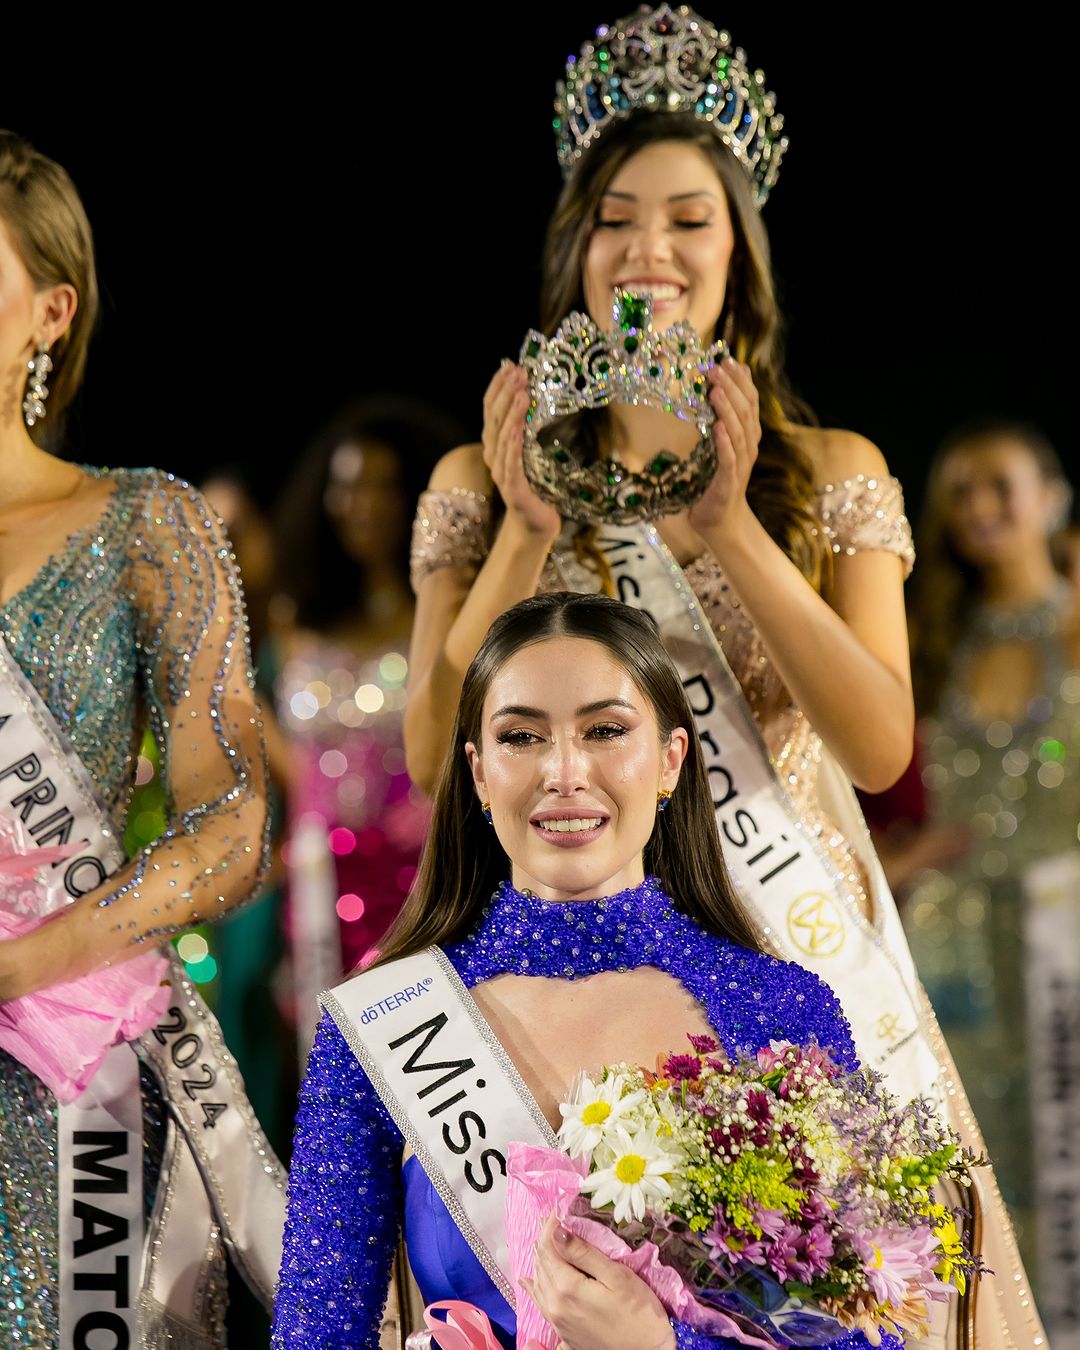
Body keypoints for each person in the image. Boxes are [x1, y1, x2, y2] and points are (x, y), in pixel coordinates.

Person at [402, 10, 1041, 1344]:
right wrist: (525, 527)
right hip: (584, 948)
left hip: (796, 939)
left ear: (739, 257)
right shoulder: (488, 475)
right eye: (617, 218)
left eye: (691, 220)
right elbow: (431, 760)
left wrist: (728, 525)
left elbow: (874, 743)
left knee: (817, 1292)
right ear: (572, 252)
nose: (651, 251)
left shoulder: (831, 469)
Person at [273, 591, 930, 1349]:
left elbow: (863, 1336)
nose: (564, 772)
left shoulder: (779, 1009)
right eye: (522, 738)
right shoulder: (382, 1020)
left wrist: (662, 1346)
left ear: (670, 760)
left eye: (606, 731)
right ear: (479, 774)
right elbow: (313, 1333)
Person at [0, 129, 284, 1346]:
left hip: (70, 1084)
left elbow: (230, 829)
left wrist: (15, 967)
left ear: (50, 312)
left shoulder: (140, 524)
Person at [903, 420, 1079, 1333]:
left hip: (1067, 932)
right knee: (978, 1156)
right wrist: (897, 862)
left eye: (998, 485)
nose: (978, 508)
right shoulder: (933, 640)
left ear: (1052, 498)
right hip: (956, 936)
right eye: (959, 491)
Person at [270, 399, 461, 1055]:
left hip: (420, 877)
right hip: (322, 884)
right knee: (330, 1061)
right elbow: (295, 760)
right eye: (347, 486)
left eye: (381, 485)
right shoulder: (296, 619)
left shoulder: (442, 617)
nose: (362, 503)